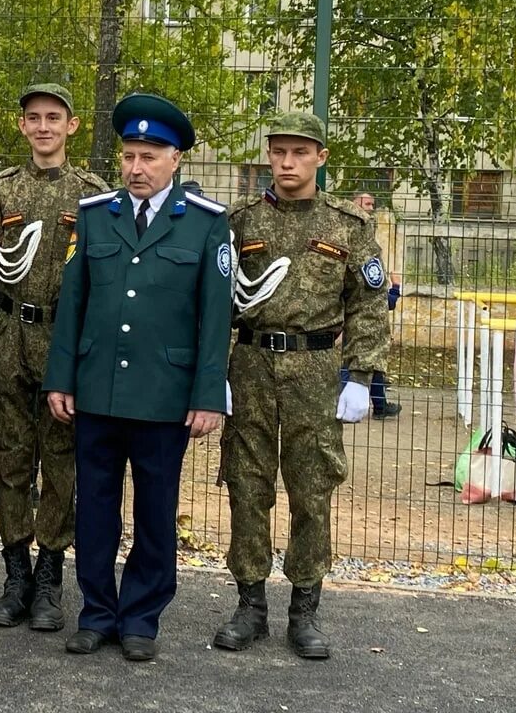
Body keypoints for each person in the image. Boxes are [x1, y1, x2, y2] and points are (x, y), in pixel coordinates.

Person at [43, 93, 231, 662]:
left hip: (164, 397)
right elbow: (72, 302)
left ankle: (141, 618)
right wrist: (61, 378)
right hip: (97, 389)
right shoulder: (96, 215)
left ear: (176, 160)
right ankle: (97, 613)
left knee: (155, 511)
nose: (136, 168)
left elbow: (215, 318)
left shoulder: (206, 225)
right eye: (129, 155)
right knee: (94, 509)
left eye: (150, 156)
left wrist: (206, 396)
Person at [215, 112, 389, 660]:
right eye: (278, 152)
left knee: (312, 490)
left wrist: (361, 376)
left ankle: (305, 610)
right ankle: (250, 606)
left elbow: (368, 305)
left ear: (321, 157)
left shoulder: (348, 226)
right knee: (247, 485)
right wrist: (210, 375)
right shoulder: (239, 223)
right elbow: (215, 302)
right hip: (249, 363)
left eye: (299, 152)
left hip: (315, 368)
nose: (287, 163)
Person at [0, 84, 107, 632]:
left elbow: (104, 277)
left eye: (54, 118)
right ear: (22, 125)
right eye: (34, 118)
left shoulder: (96, 195)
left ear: (72, 127)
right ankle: (15, 576)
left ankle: (50, 578)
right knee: (10, 460)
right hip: (9, 337)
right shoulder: (1, 191)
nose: (44, 126)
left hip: (66, 341)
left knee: (60, 464)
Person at [351, 191, 402, 419]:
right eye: (367, 204)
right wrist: (396, 288)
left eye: (373, 204)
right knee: (366, 363)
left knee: (370, 364)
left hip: (364, 316)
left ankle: (379, 405)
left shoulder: (368, 248)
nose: (371, 208)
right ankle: (378, 407)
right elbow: (384, 302)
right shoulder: (360, 249)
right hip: (362, 318)